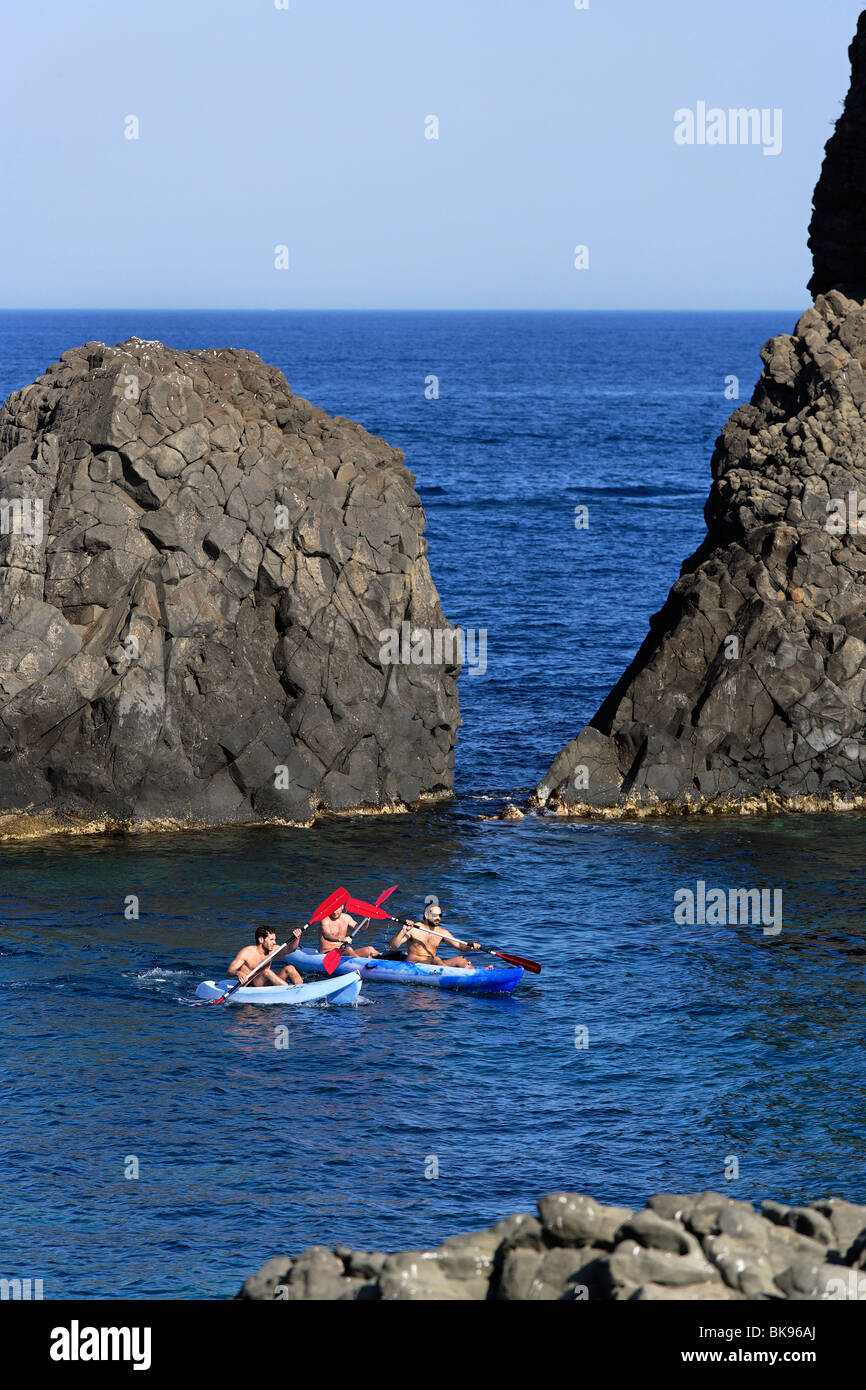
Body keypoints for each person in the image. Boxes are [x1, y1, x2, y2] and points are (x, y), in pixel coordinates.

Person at [387, 894, 482, 969]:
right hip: (414, 965)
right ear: (426, 914)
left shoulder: (441, 932)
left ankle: (477, 974)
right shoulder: (414, 928)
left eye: (440, 915)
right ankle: (449, 976)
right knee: (436, 959)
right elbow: (393, 945)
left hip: (432, 965)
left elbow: (460, 946)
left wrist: (471, 946)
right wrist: (403, 931)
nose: (438, 918)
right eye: (435, 915)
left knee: (461, 960)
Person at [227, 925, 303, 988]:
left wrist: (296, 938)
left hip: (267, 984)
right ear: (261, 940)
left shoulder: (273, 949)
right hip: (251, 986)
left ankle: (301, 989)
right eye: (271, 939)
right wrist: (238, 973)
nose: (274, 942)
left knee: (290, 968)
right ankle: (288, 991)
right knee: (266, 972)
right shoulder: (247, 952)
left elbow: (291, 949)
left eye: (274, 939)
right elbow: (230, 971)